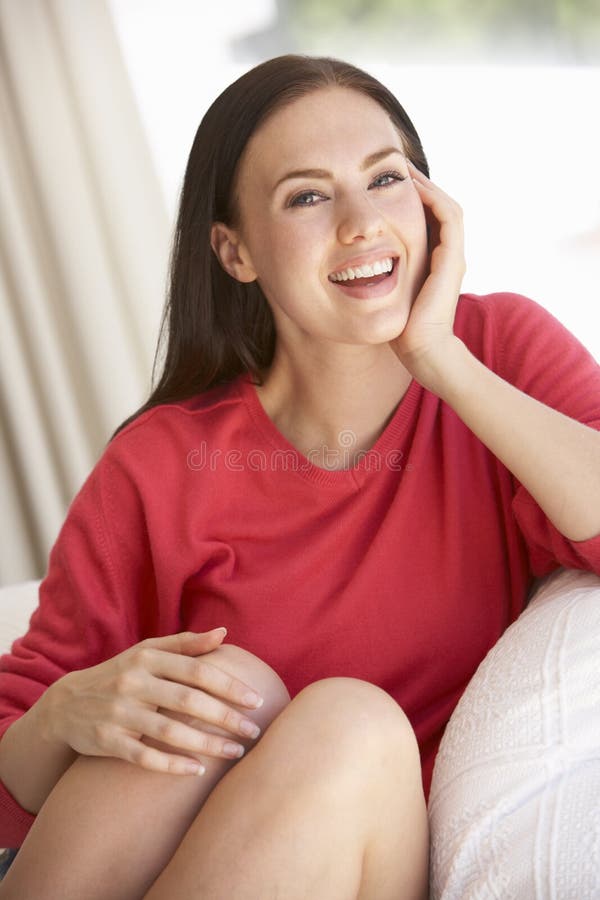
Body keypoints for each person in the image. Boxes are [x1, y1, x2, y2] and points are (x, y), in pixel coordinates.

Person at [0, 53, 599, 900]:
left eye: (386, 179)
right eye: (307, 197)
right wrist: (64, 712)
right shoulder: (160, 463)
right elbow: (15, 761)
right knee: (223, 692)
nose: (362, 223)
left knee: (349, 723)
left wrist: (440, 359)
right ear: (235, 251)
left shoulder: (497, 355)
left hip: (374, 859)